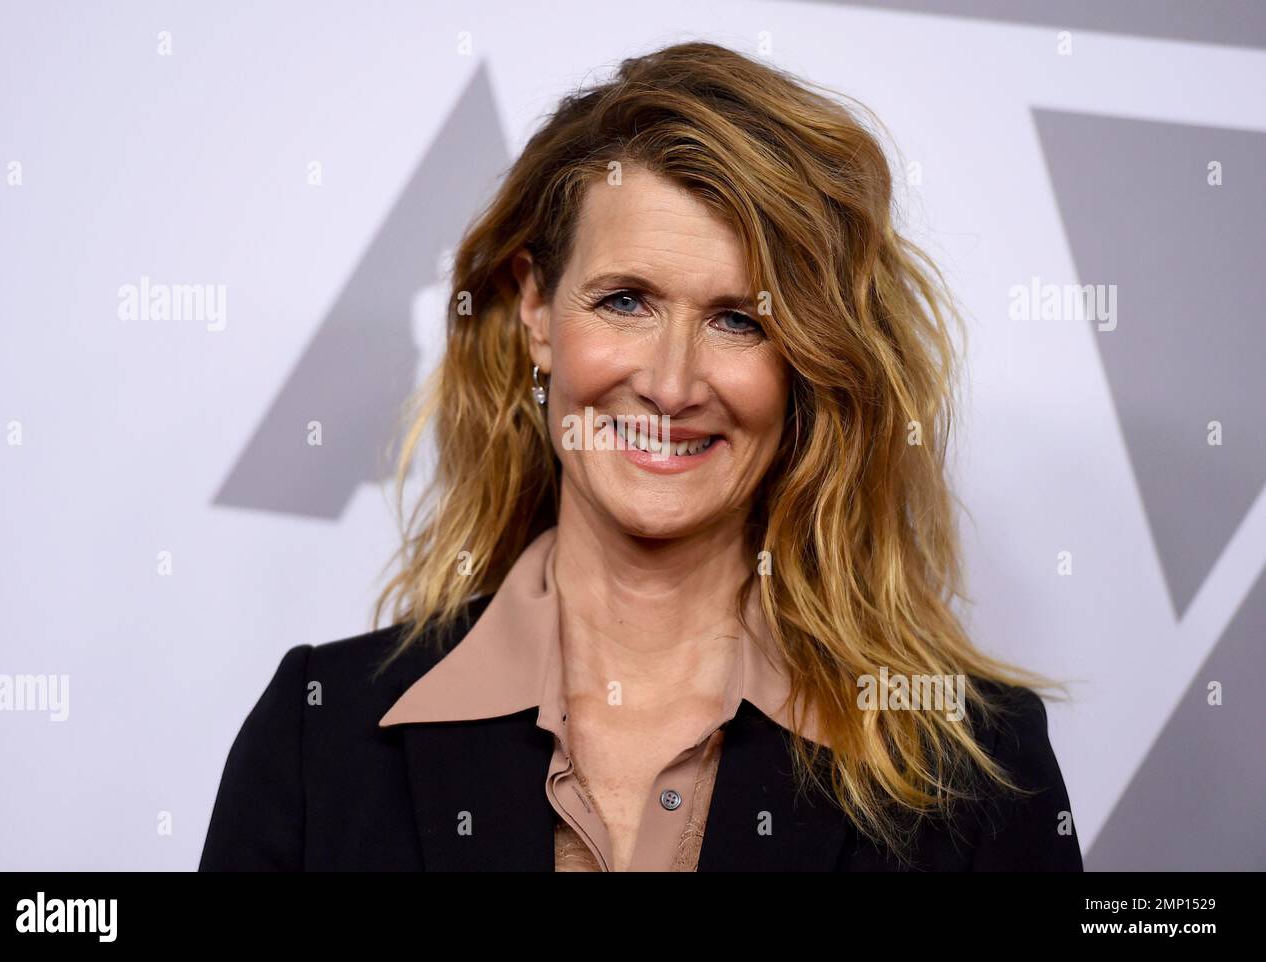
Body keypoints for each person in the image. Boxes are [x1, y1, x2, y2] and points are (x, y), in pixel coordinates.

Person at [199, 40, 1083, 872]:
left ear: (811, 361)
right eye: (626, 301)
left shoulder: (973, 764)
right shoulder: (320, 737)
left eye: (740, 319)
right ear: (537, 311)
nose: (671, 384)